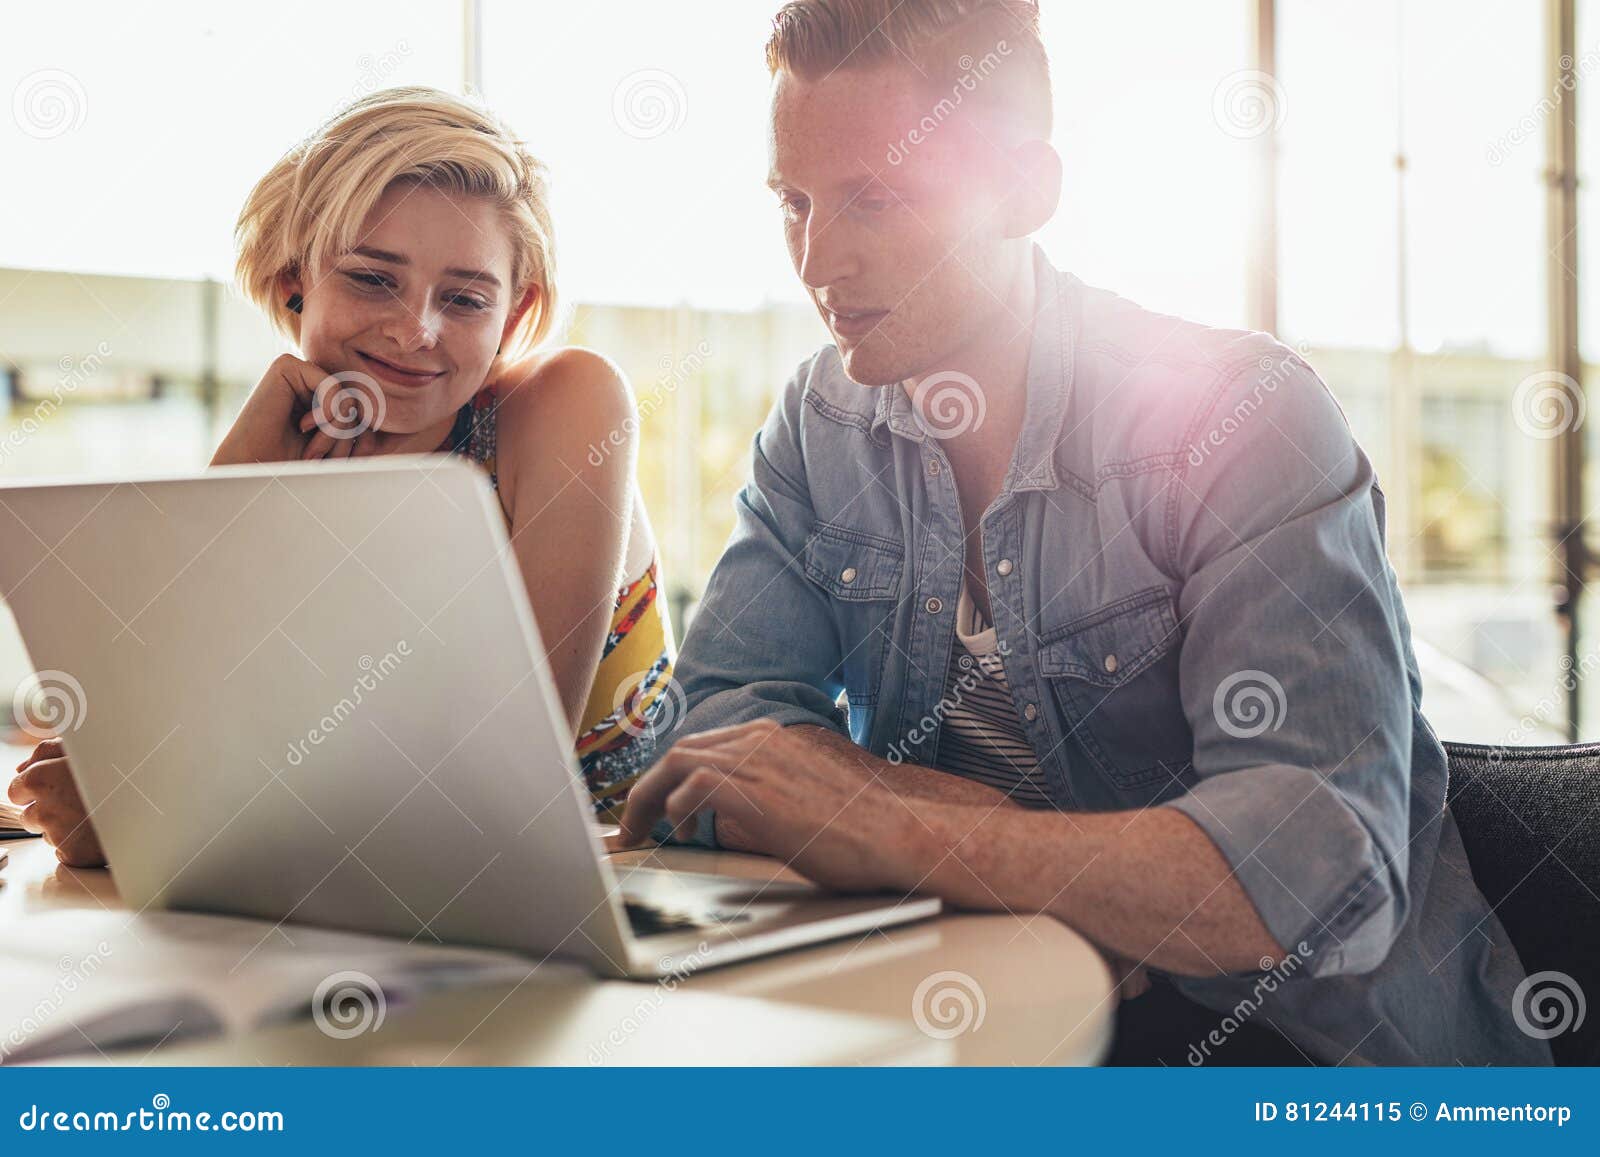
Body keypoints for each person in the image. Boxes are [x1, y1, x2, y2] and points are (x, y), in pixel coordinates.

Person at [617, 0, 1550, 1066]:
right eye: (793, 201)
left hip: (1321, 1063)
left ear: (1027, 190)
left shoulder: (1238, 415)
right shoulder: (820, 424)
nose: (818, 259)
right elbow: (711, 740)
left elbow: (1308, 875)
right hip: (979, 1013)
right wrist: (1028, 860)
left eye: (874, 198)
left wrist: (896, 825)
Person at [10, 86, 675, 866]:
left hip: (619, 898)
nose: (414, 329)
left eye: (463, 298)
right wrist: (237, 479)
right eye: (372, 278)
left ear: (515, 313)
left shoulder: (566, 405)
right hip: (345, 901)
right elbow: (137, 716)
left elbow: (502, 782)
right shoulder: (289, 450)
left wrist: (155, 803)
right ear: (295, 278)